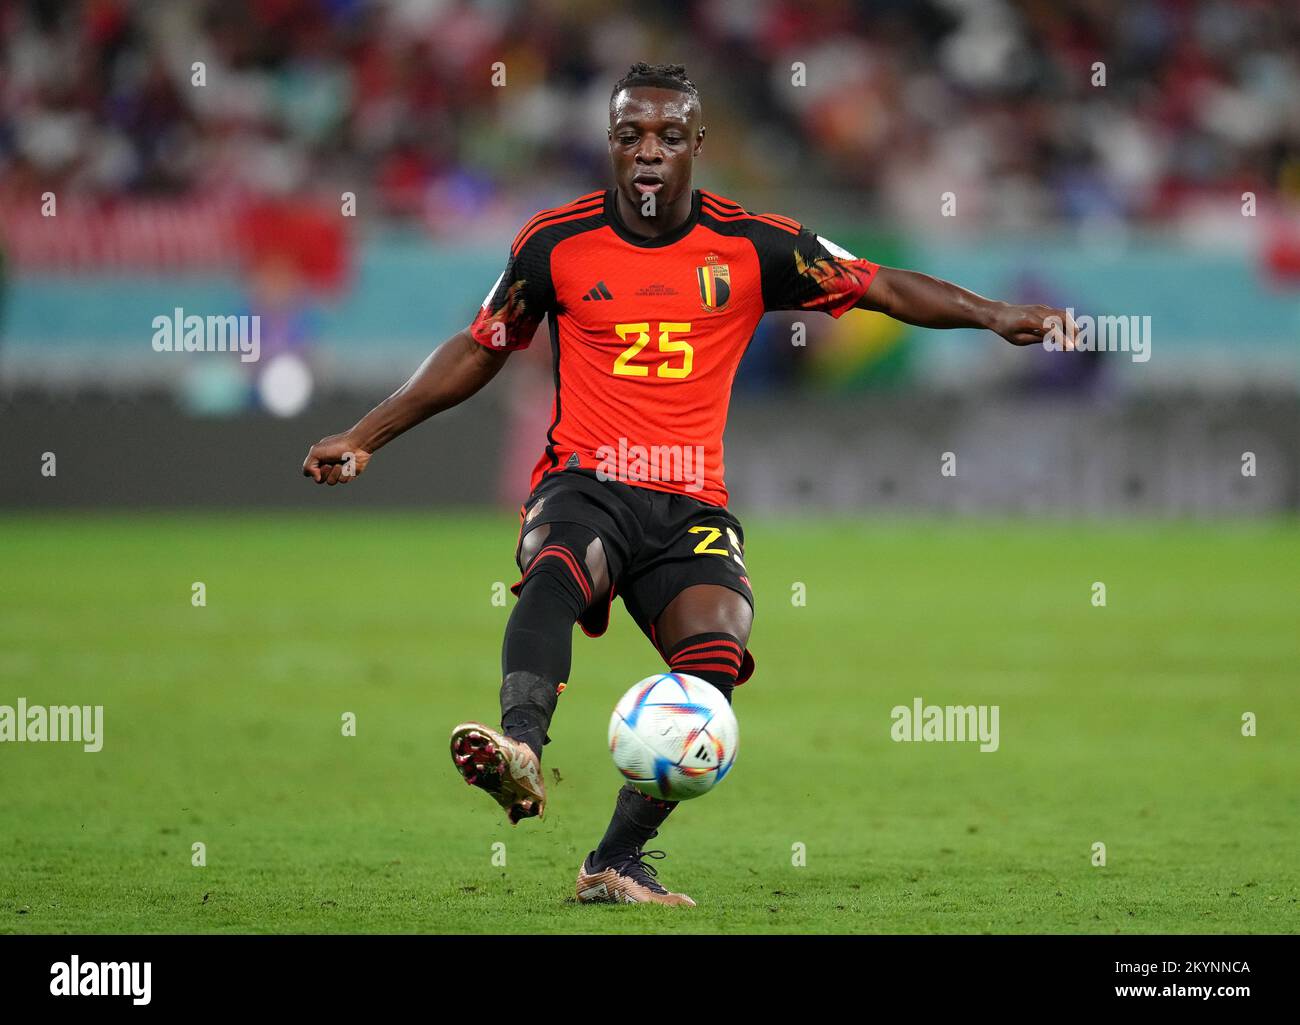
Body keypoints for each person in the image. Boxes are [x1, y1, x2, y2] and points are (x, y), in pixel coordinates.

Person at [301, 63, 1074, 907]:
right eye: (631, 134)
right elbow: (483, 345)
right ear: (610, 142)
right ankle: (520, 749)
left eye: (670, 136)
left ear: (699, 145)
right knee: (560, 562)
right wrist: (364, 434)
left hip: (689, 502)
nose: (649, 152)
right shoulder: (555, 242)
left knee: (718, 655)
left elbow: (881, 284)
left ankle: (613, 860)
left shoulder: (753, 244)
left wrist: (994, 313)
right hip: (585, 478)